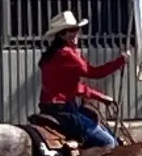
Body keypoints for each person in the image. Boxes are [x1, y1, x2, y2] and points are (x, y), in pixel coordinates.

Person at [38, 10, 128, 148]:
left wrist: (101, 97)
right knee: (108, 142)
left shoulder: (51, 55)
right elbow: (94, 72)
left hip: (49, 108)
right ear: (61, 35)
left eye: (76, 29)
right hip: (64, 109)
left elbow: (75, 87)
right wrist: (120, 61)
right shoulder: (67, 54)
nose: (76, 34)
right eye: (71, 30)